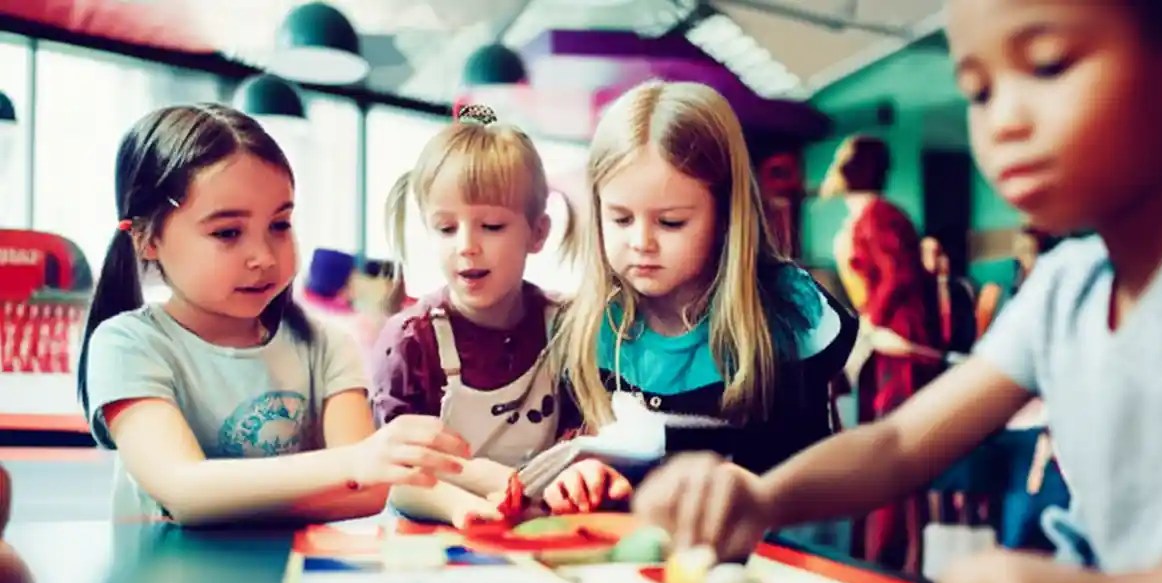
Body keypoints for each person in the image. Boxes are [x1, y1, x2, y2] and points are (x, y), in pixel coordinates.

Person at [635, 0, 1162, 583]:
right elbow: (898, 444)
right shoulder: (1068, 286)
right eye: (979, 89)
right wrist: (762, 499)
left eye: (1048, 66)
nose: (1003, 120)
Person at [77, 104, 467, 525]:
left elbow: (367, 495)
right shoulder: (127, 344)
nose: (263, 257)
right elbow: (182, 490)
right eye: (227, 233)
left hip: (298, 581)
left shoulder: (326, 346)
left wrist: (355, 470)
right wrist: (352, 465)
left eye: (280, 224)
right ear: (145, 237)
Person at [543, 81, 857, 514]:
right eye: (619, 218)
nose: (641, 242)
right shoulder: (586, 327)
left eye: (670, 222)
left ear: (727, 214)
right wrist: (577, 477)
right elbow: (571, 449)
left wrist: (753, 488)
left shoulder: (787, 313)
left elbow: (815, 471)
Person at [372, 104, 578, 527]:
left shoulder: (569, 328)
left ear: (537, 233)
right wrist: (467, 505)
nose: (466, 245)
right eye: (447, 228)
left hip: (541, 529)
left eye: (492, 226)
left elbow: (582, 449)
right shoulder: (411, 342)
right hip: (437, 533)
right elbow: (397, 475)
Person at [822, 135, 943, 572]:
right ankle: (875, 553)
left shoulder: (880, 217)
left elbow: (898, 275)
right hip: (881, 345)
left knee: (894, 449)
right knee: (878, 445)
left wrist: (870, 322)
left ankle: (892, 558)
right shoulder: (867, 217)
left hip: (899, 350)